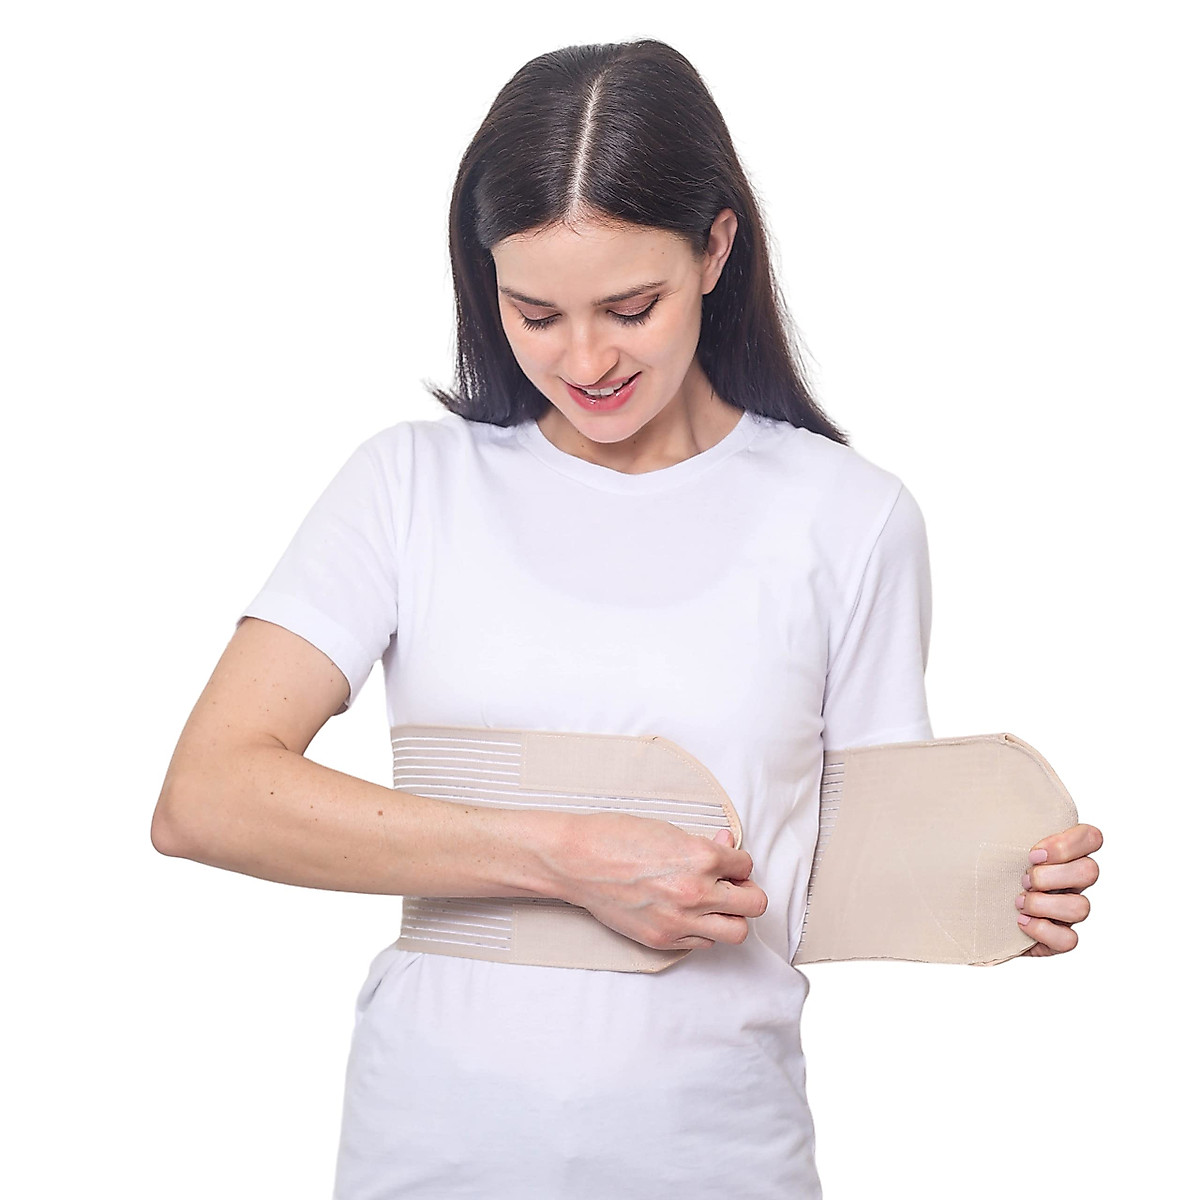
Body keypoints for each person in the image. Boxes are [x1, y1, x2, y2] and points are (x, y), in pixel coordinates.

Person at [151, 38, 1103, 1199]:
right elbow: (205, 796)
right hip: (432, 1153)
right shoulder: (409, 486)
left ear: (716, 248)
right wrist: (562, 858)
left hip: (716, 1158)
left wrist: (997, 891)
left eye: (630, 306)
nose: (587, 358)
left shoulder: (849, 518)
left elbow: (844, 874)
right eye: (535, 313)